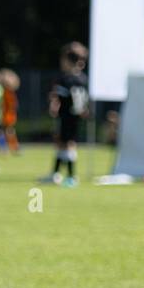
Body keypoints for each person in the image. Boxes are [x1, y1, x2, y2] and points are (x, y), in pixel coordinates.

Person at [46, 42, 89, 184]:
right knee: (63, 144)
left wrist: (54, 105)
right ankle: (56, 174)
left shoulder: (65, 79)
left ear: (67, 61)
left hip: (66, 116)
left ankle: (70, 176)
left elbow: (56, 97)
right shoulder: (83, 78)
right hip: (76, 116)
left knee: (66, 144)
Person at [0, 68, 21, 154]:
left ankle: (12, 146)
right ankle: (6, 147)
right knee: (4, 131)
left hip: (7, 115)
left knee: (8, 131)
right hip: (5, 115)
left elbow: (11, 105)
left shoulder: (8, 93)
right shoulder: (4, 92)